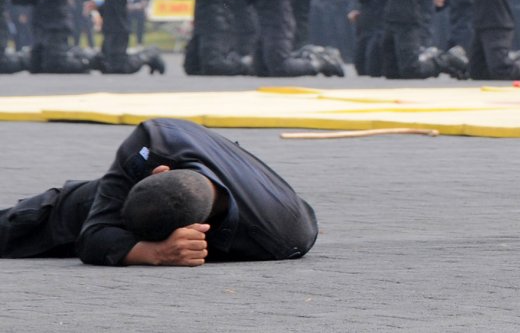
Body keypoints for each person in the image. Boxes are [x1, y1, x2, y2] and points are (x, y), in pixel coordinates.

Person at [0, 118, 317, 265]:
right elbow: (93, 236)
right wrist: (153, 252)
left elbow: (302, 225)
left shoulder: (279, 235)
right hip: (71, 211)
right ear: (162, 171)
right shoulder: (152, 142)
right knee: (20, 224)